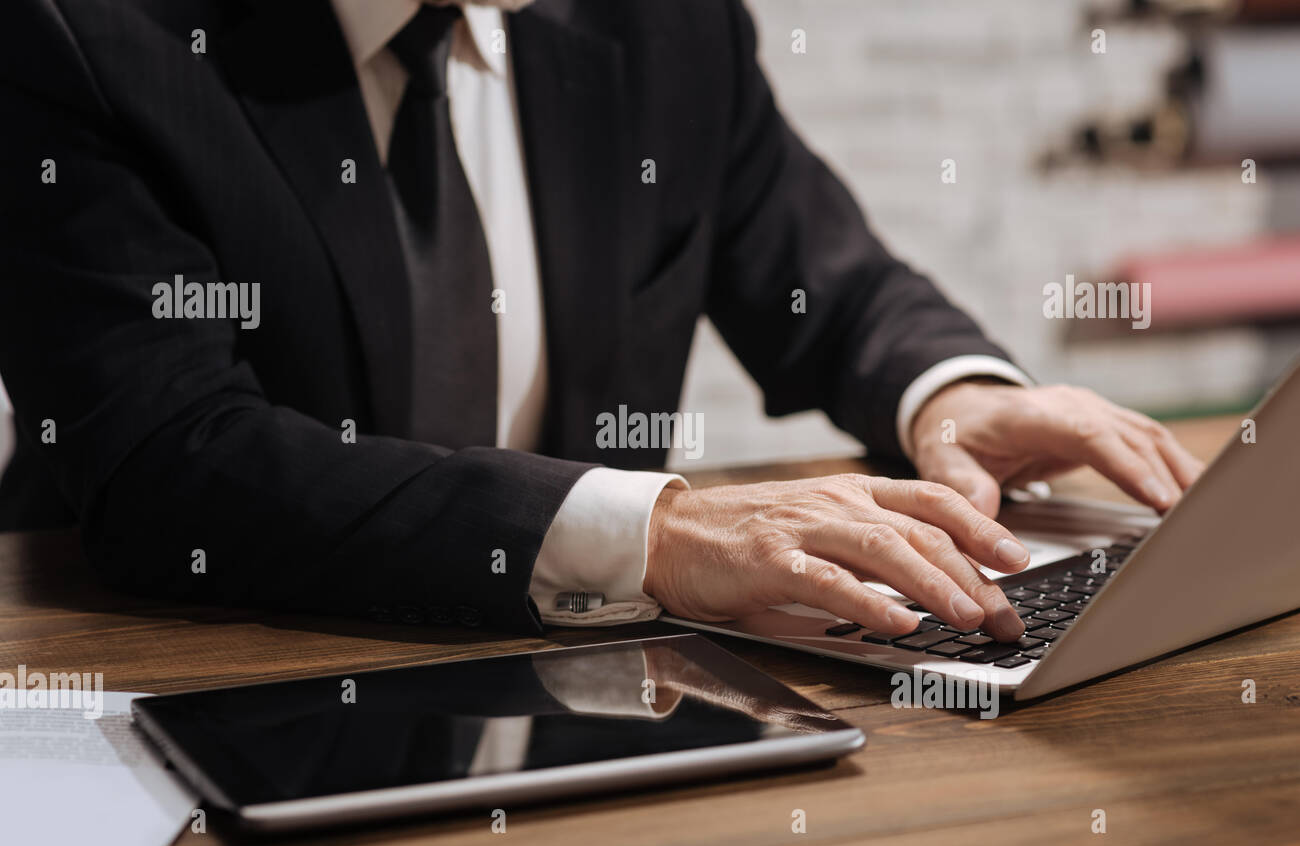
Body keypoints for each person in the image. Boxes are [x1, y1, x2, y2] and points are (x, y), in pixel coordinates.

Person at [0, 0, 1202, 644]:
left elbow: (815, 273)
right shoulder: (83, 33)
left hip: (573, 685)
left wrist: (954, 393)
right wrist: (656, 533)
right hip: (192, 667)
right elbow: (171, 465)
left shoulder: (660, 27)